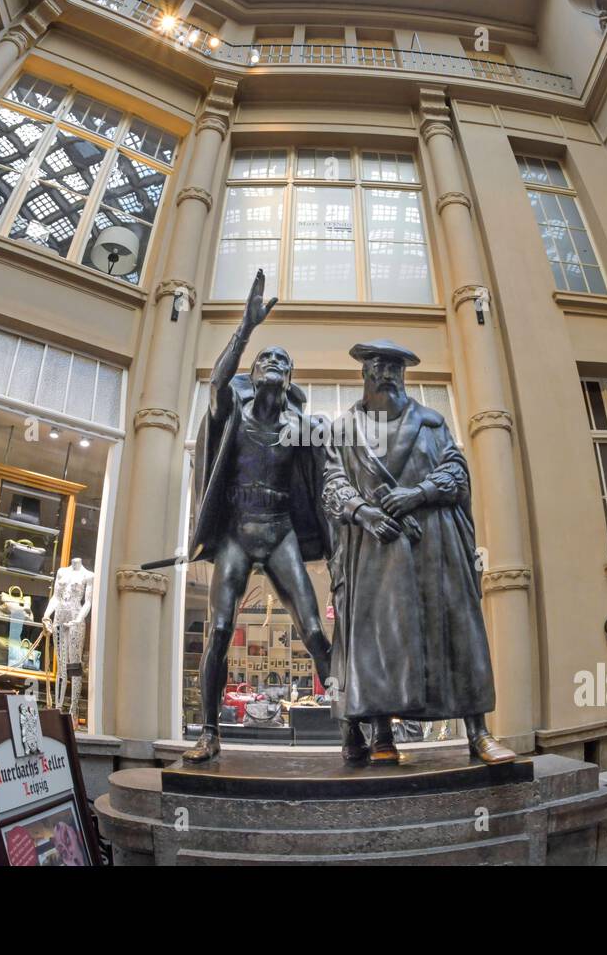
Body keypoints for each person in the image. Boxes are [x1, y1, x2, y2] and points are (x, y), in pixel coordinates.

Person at [322, 340, 516, 765]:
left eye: (395, 366)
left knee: (457, 633)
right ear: (364, 373)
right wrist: (367, 514)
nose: (387, 373)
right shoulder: (343, 430)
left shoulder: (431, 422)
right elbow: (332, 486)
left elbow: (456, 471)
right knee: (376, 639)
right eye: (378, 365)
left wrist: (417, 493)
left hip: (435, 544)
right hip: (376, 547)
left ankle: (478, 733)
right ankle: (382, 735)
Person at [183, 270, 332, 762]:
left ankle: (355, 728)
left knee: (313, 631)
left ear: (289, 378)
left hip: (281, 530)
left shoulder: (301, 425)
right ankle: (209, 731)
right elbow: (217, 380)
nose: (272, 362)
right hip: (237, 532)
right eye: (265, 357)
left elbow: (331, 476)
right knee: (221, 630)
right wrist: (245, 329)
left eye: (281, 360)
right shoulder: (234, 410)